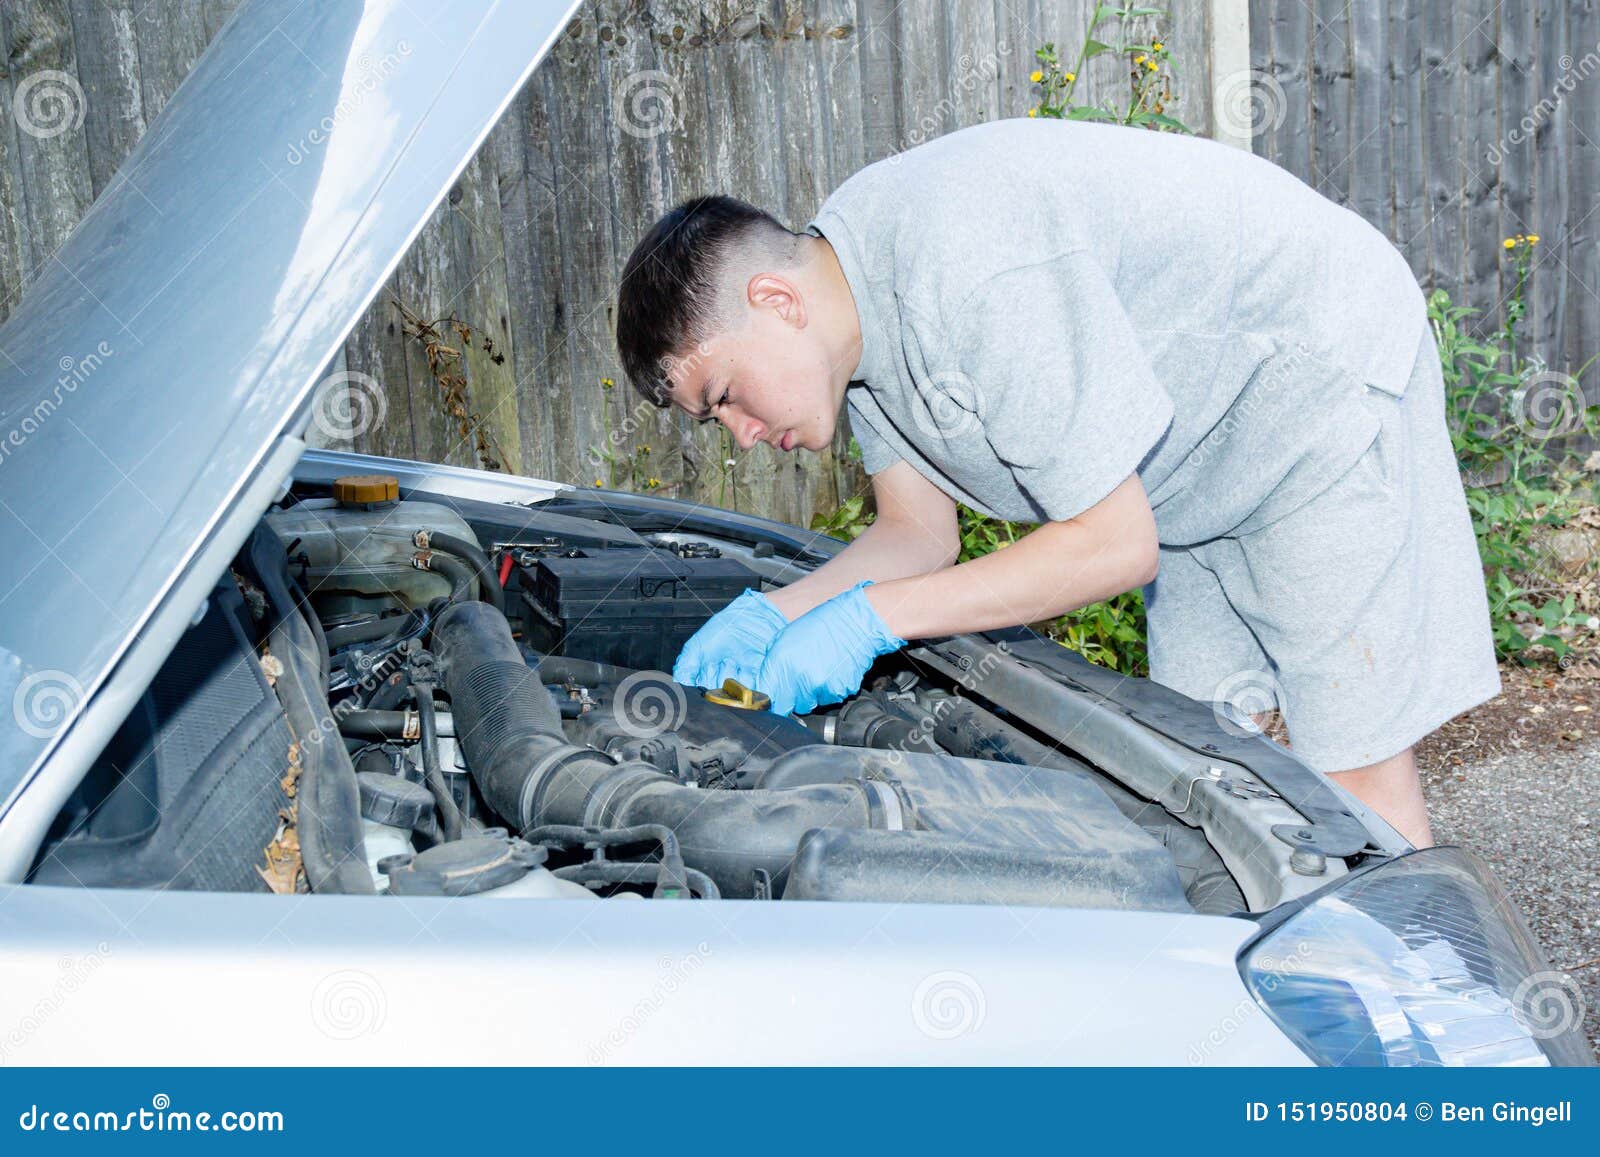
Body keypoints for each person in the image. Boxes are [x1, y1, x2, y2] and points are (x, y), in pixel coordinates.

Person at [611, 117, 1500, 848]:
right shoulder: (854, 324)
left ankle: (1436, 1035)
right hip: (1196, 463)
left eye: (723, 396)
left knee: (1354, 787)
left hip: (1313, 382)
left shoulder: (967, 270)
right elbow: (917, 537)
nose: (740, 433)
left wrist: (874, 619)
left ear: (775, 301)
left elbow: (1113, 545)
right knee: (1205, 786)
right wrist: (780, 613)